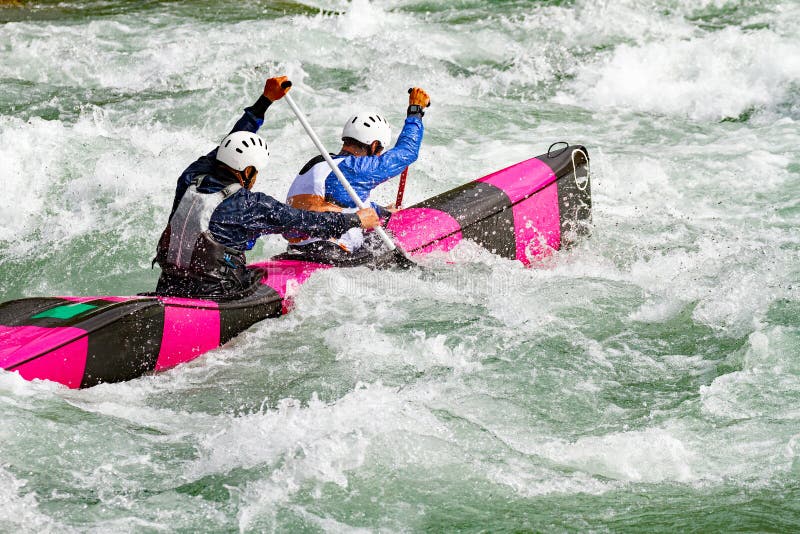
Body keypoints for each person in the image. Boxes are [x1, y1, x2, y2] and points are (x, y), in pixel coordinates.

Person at [154, 76, 380, 299]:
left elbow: (231, 140)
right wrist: (356, 220)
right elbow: (307, 221)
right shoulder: (250, 205)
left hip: (169, 283)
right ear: (248, 171)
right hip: (216, 294)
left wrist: (265, 100)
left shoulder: (191, 176)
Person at [281, 87, 430, 264]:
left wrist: (382, 211)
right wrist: (415, 112)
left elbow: (337, 203)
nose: (378, 156)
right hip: (332, 255)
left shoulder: (321, 163)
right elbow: (407, 152)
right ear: (374, 146)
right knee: (393, 238)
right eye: (380, 151)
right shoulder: (354, 169)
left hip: (298, 249)